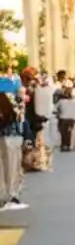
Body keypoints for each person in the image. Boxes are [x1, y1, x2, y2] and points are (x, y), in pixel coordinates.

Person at [0, 73, 25, 209]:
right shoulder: (14, 99)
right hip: (12, 135)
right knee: (13, 166)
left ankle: (3, 194)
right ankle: (12, 194)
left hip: (4, 135)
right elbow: (20, 118)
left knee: (3, 167)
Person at [56, 82, 75, 152]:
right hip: (72, 118)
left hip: (63, 118)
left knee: (62, 131)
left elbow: (56, 108)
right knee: (69, 131)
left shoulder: (61, 100)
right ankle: (68, 145)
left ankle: (64, 145)